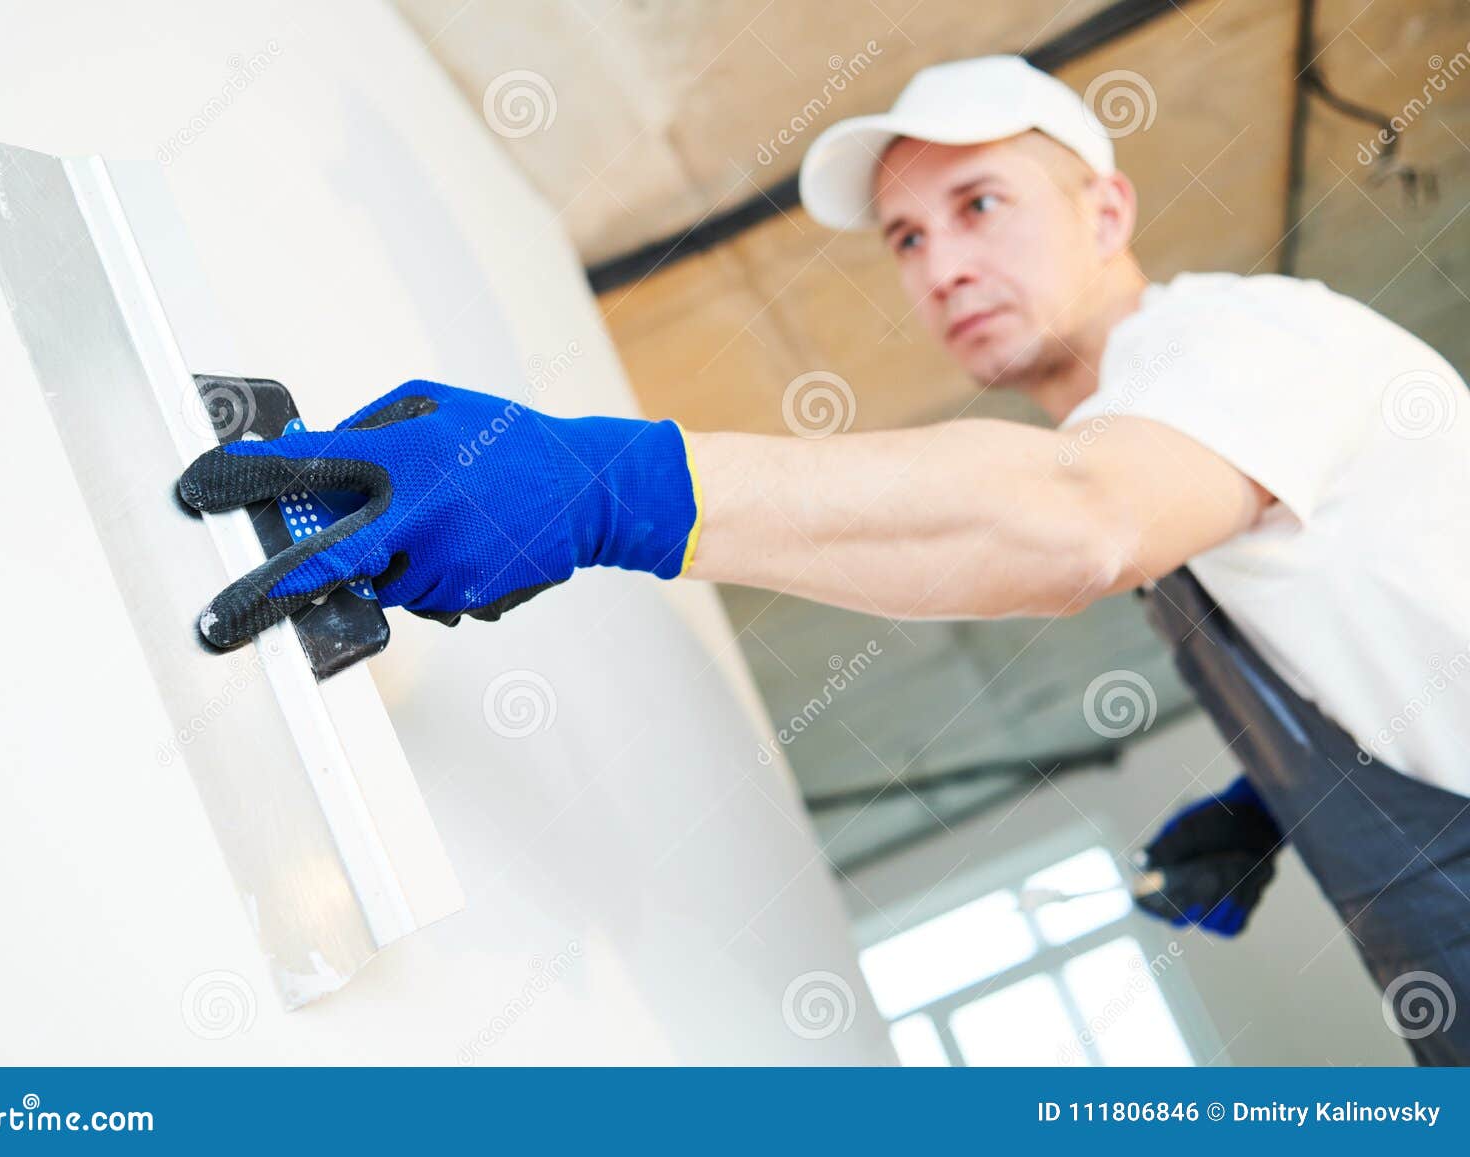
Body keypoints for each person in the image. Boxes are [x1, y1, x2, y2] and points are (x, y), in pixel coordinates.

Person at [178, 55, 1470, 1062]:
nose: (944, 263)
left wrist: (610, 486)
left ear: (1107, 207)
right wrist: (1282, 804)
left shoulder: (1249, 341)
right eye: (908, 238)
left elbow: (1076, 518)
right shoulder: (1171, 424)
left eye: (980, 205)